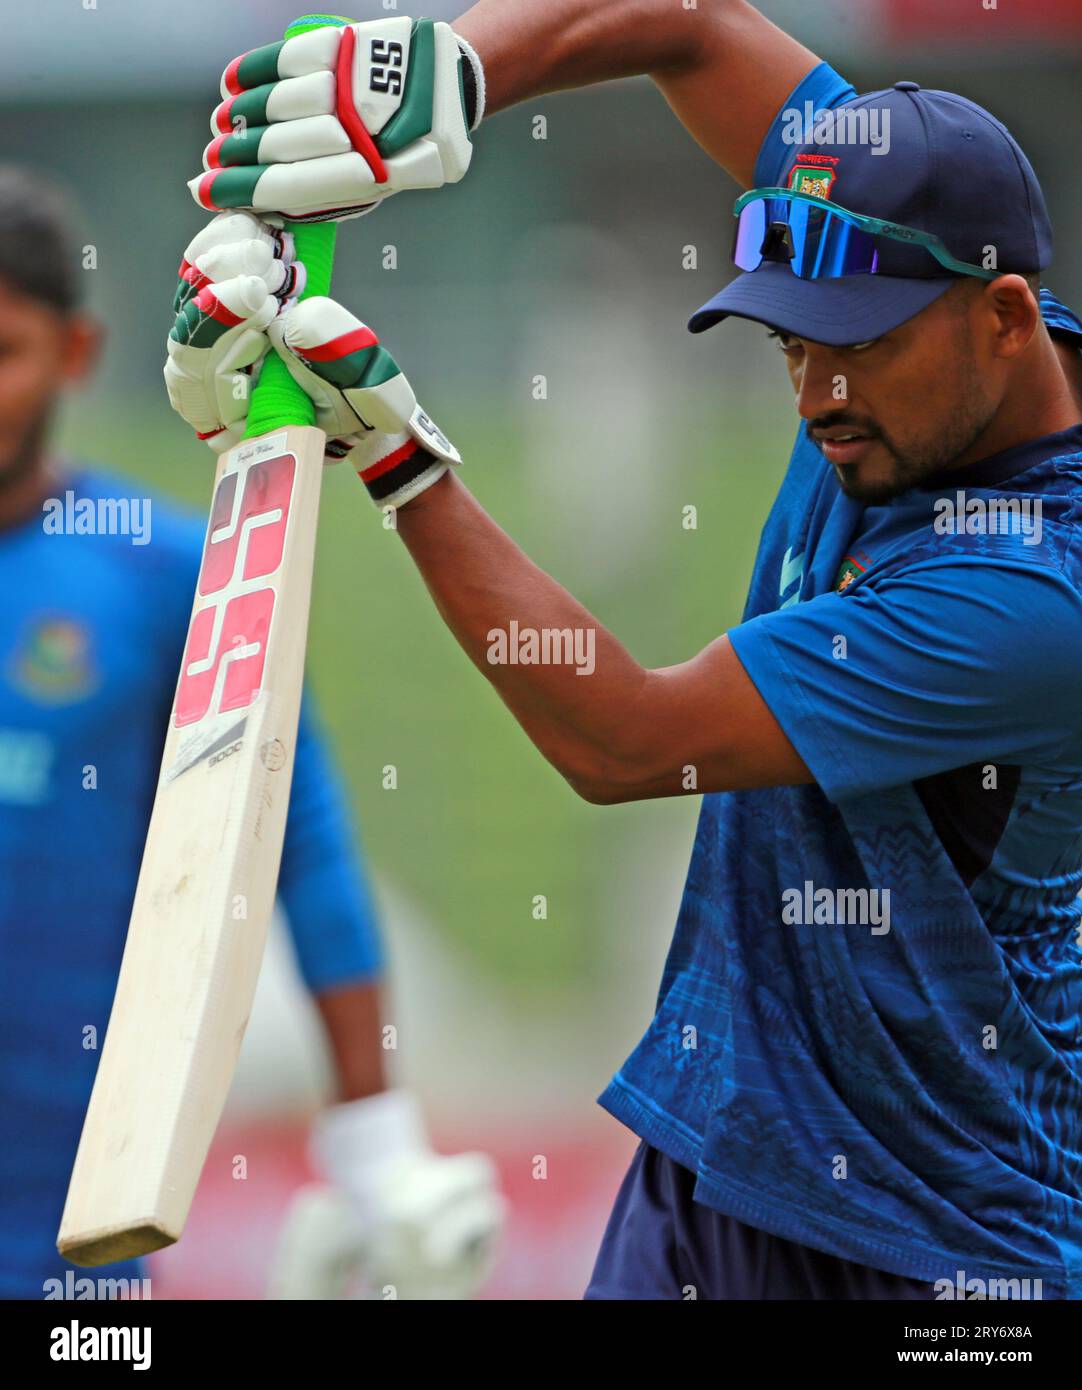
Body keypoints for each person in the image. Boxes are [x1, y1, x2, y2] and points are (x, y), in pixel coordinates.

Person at [175, 5, 1082, 1299]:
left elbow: (628, 742)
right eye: (786, 339)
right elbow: (691, 22)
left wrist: (397, 460)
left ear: (1003, 317)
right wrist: (453, 74)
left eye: (859, 347)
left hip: (933, 1239)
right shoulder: (884, 243)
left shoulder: (1032, 593)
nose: (816, 392)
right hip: (712, 1167)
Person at [0, 166, 502, 1301]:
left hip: (66, 1228)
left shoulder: (168, 571)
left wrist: (374, 1138)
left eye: (2, 352)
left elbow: (295, 835)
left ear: (76, 355)